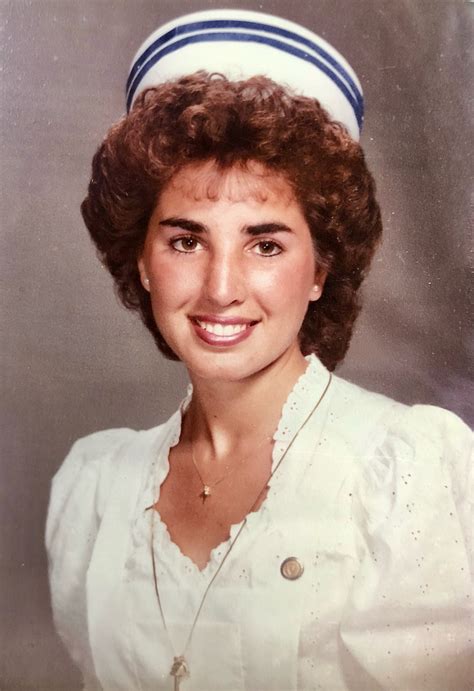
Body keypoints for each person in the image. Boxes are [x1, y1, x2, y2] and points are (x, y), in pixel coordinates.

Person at [45, 9, 472, 691]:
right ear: (143, 260)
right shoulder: (93, 489)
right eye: (187, 240)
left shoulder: (407, 471)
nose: (221, 288)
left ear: (321, 268)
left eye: (265, 244)